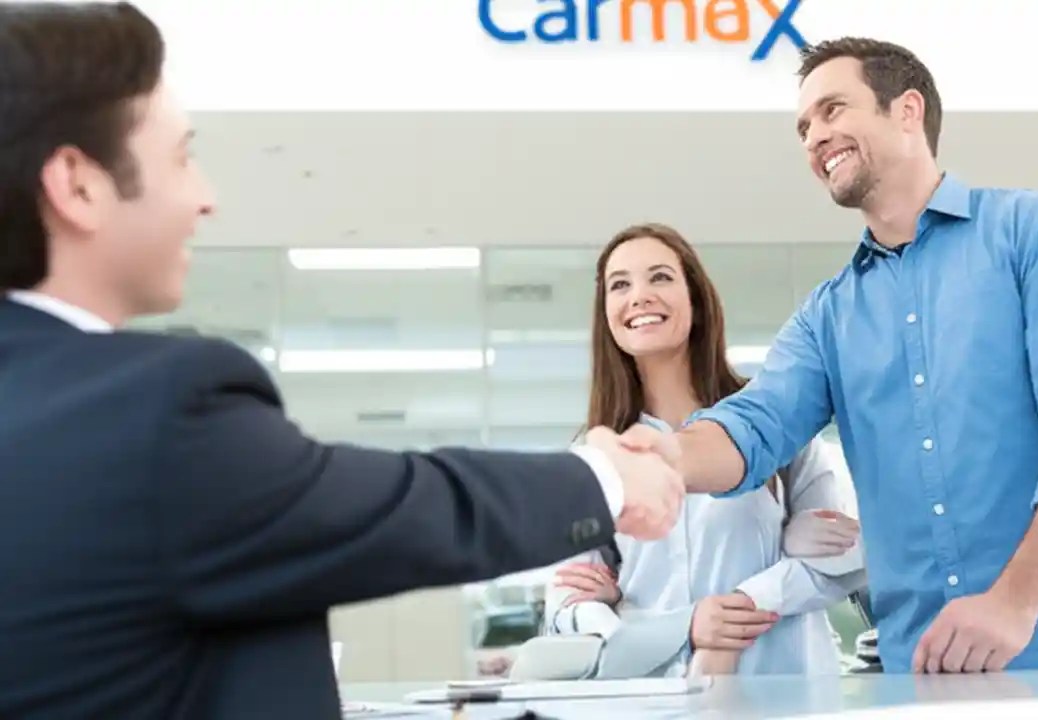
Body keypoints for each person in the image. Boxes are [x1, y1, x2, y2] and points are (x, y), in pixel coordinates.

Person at [0, 4, 682, 719]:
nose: (206, 197)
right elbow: (409, 507)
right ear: (77, 185)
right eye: (180, 157)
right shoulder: (153, 412)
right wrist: (606, 477)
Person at [623, 37, 1038, 675]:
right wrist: (662, 458)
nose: (813, 137)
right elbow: (757, 423)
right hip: (924, 666)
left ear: (907, 110)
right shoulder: (828, 314)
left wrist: (1014, 603)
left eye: (832, 110)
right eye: (802, 127)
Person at [541, 223, 865, 678]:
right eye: (620, 285)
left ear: (695, 299)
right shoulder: (599, 452)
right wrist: (674, 625)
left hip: (778, 690)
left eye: (660, 277)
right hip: (652, 695)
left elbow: (844, 560)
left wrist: (744, 604)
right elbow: (564, 603)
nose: (639, 296)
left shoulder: (771, 422)